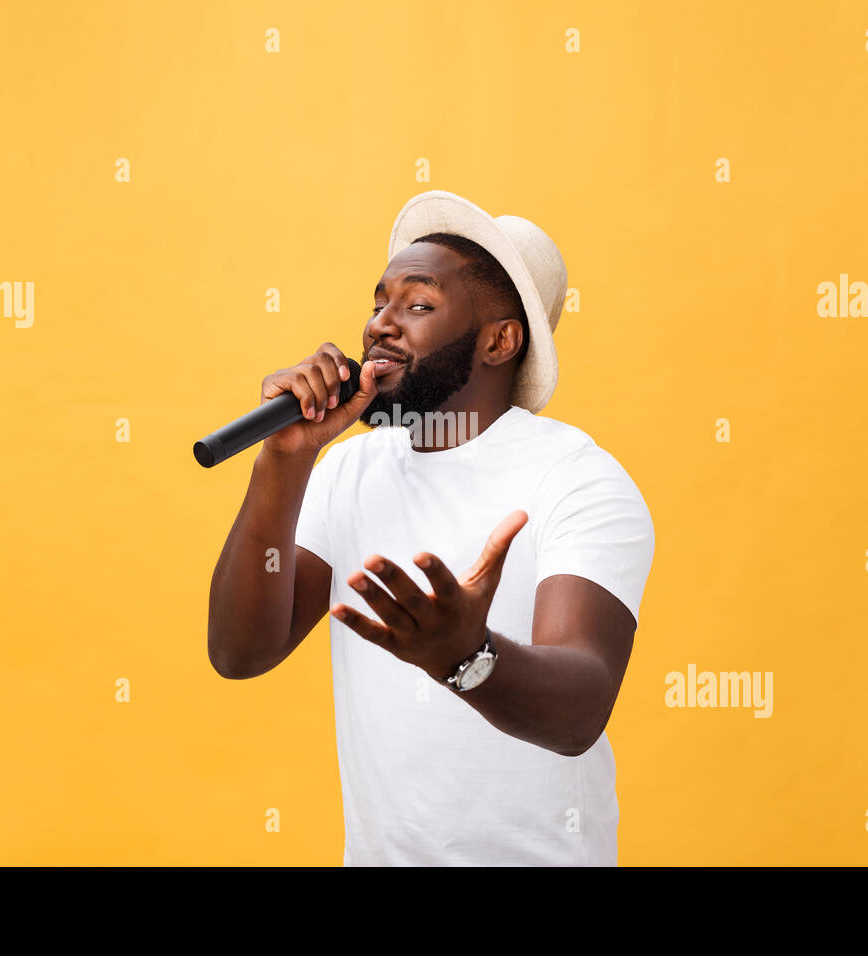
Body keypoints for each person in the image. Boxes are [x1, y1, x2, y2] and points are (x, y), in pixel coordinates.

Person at [208, 190, 656, 865]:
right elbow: (240, 653)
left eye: (418, 305)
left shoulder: (576, 478)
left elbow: (581, 707)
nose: (381, 325)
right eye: (379, 302)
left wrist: (467, 658)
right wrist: (284, 461)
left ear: (499, 341)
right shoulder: (346, 470)